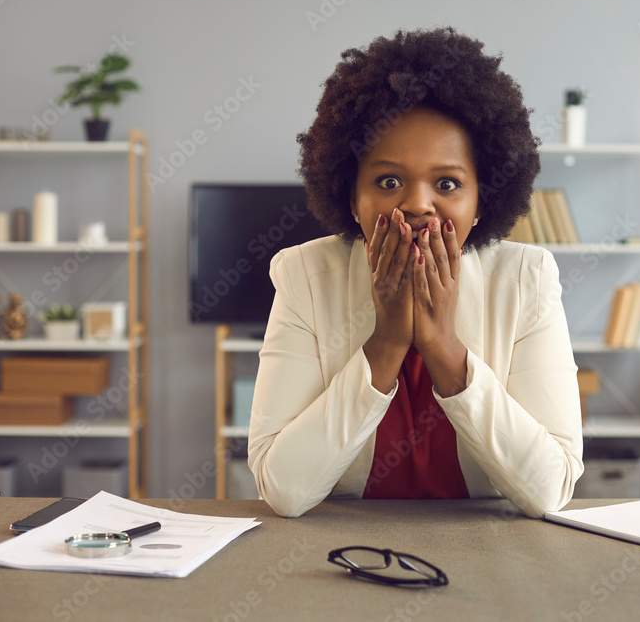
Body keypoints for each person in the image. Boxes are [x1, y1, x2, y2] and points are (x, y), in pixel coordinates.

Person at [248, 27, 584, 518]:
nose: (418, 204)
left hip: (490, 556)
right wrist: (385, 341)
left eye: (447, 182)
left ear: (480, 202)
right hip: (345, 552)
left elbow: (550, 489)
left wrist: (444, 347)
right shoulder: (303, 275)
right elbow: (283, 490)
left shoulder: (527, 278)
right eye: (388, 181)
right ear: (351, 196)